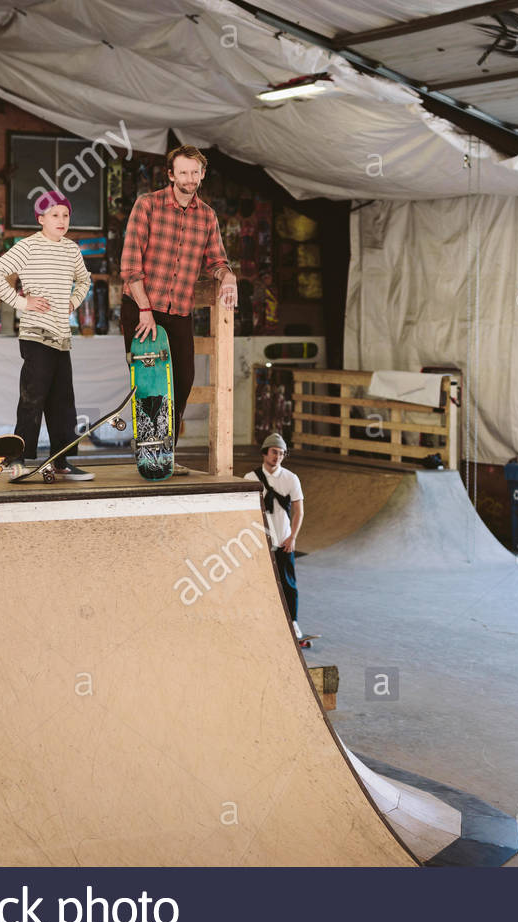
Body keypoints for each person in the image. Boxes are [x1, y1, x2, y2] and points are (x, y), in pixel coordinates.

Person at [120, 145, 237, 474]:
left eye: (194, 172)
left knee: (182, 381)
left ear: (202, 174)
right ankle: (150, 453)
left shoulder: (207, 216)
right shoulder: (148, 205)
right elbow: (130, 264)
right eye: (182, 172)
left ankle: (164, 454)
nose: (189, 178)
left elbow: (216, 261)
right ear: (171, 175)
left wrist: (228, 277)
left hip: (180, 312)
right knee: (151, 382)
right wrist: (145, 308)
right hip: (142, 308)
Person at [0, 191, 94, 479]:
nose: (61, 220)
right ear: (40, 219)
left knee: (63, 402)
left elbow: (84, 280)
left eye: (65, 215)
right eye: (54, 215)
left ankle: (61, 460)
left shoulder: (71, 250)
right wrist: (22, 302)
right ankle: (18, 460)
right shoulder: (27, 247)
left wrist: (74, 301)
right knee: (33, 398)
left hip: (61, 336)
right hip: (35, 334)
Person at [250, 433, 307, 640]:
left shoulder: (291, 478)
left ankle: (293, 621)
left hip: (283, 540)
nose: (277, 457)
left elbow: (299, 511)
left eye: (282, 453)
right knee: (259, 583)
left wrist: (292, 538)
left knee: (288, 583)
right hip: (260, 542)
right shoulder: (251, 478)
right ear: (265, 452)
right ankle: (261, 620)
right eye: (274, 452)